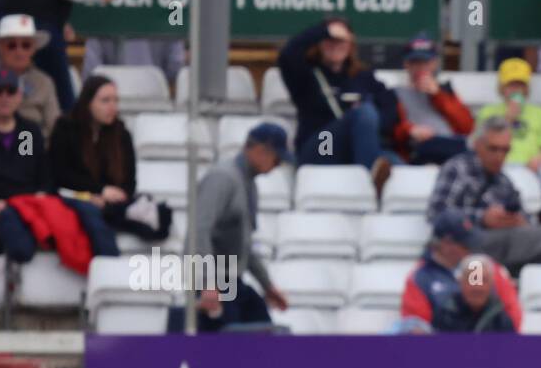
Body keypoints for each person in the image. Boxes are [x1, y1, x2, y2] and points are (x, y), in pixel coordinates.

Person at [167, 124, 291, 333]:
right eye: (276, 159)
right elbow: (199, 231)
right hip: (213, 282)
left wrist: (267, 285)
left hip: (231, 281)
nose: (276, 166)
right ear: (261, 150)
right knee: (230, 344)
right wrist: (206, 283)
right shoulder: (222, 178)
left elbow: (245, 245)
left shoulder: (247, 183)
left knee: (267, 333)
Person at [427, 117, 541, 274]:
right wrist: (483, 217)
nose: (499, 156)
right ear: (477, 145)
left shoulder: (504, 181)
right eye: (493, 149)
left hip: (502, 245)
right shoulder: (457, 168)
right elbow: (436, 213)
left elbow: (524, 218)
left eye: (505, 150)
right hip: (467, 244)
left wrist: (518, 220)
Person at [278, 19, 399, 194]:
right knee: (364, 113)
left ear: (351, 44)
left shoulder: (363, 77)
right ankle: (369, 184)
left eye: (340, 40)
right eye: (329, 40)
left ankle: (374, 182)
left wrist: (366, 124)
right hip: (322, 144)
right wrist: (323, 31)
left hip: (355, 148)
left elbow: (390, 109)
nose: (335, 45)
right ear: (319, 43)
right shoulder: (306, 75)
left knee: (398, 165)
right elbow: (287, 55)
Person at [50, 75, 171, 244]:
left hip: (112, 204)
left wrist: (110, 196)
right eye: (105, 100)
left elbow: (130, 182)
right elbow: (59, 173)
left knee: (161, 216)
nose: (112, 106)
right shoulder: (65, 127)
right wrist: (98, 191)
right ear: (88, 102)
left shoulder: (121, 133)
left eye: (115, 100)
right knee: (92, 213)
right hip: (73, 197)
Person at [0, 68, 54, 293]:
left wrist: (35, 200)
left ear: (20, 96)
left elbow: (39, 175)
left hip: (24, 209)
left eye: (11, 91)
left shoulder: (27, 133)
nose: (4, 97)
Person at [402, 209, 522, 328]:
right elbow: (417, 330)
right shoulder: (421, 277)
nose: (470, 248)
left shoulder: (482, 266)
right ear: (446, 244)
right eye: (464, 244)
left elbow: (512, 316)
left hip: (490, 342)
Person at [392, 33, 472, 166]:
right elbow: (393, 129)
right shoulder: (396, 94)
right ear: (407, 64)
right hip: (420, 148)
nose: (421, 68)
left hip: (453, 146)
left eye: (425, 62)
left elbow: (466, 127)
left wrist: (438, 95)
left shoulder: (445, 91)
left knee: (474, 147)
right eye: (415, 62)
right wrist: (411, 130)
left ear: (434, 63)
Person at [0, 15, 60, 135]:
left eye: (26, 45)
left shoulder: (44, 82)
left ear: (33, 49)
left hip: (31, 144)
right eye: (11, 45)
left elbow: (55, 127)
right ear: (0, 47)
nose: (19, 51)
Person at [476, 59, 541, 183]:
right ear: (502, 87)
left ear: (527, 88)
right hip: (500, 164)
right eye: (511, 85)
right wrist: (508, 118)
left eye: (520, 85)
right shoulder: (488, 112)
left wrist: (538, 160)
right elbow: (479, 146)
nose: (516, 89)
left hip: (532, 167)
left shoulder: (539, 114)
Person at [431, 255, 516, 333]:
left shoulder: (501, 319)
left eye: (483, 280)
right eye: (472, 280)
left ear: (491, 284)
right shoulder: (444, 316)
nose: (477, 287)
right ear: (460, 282)